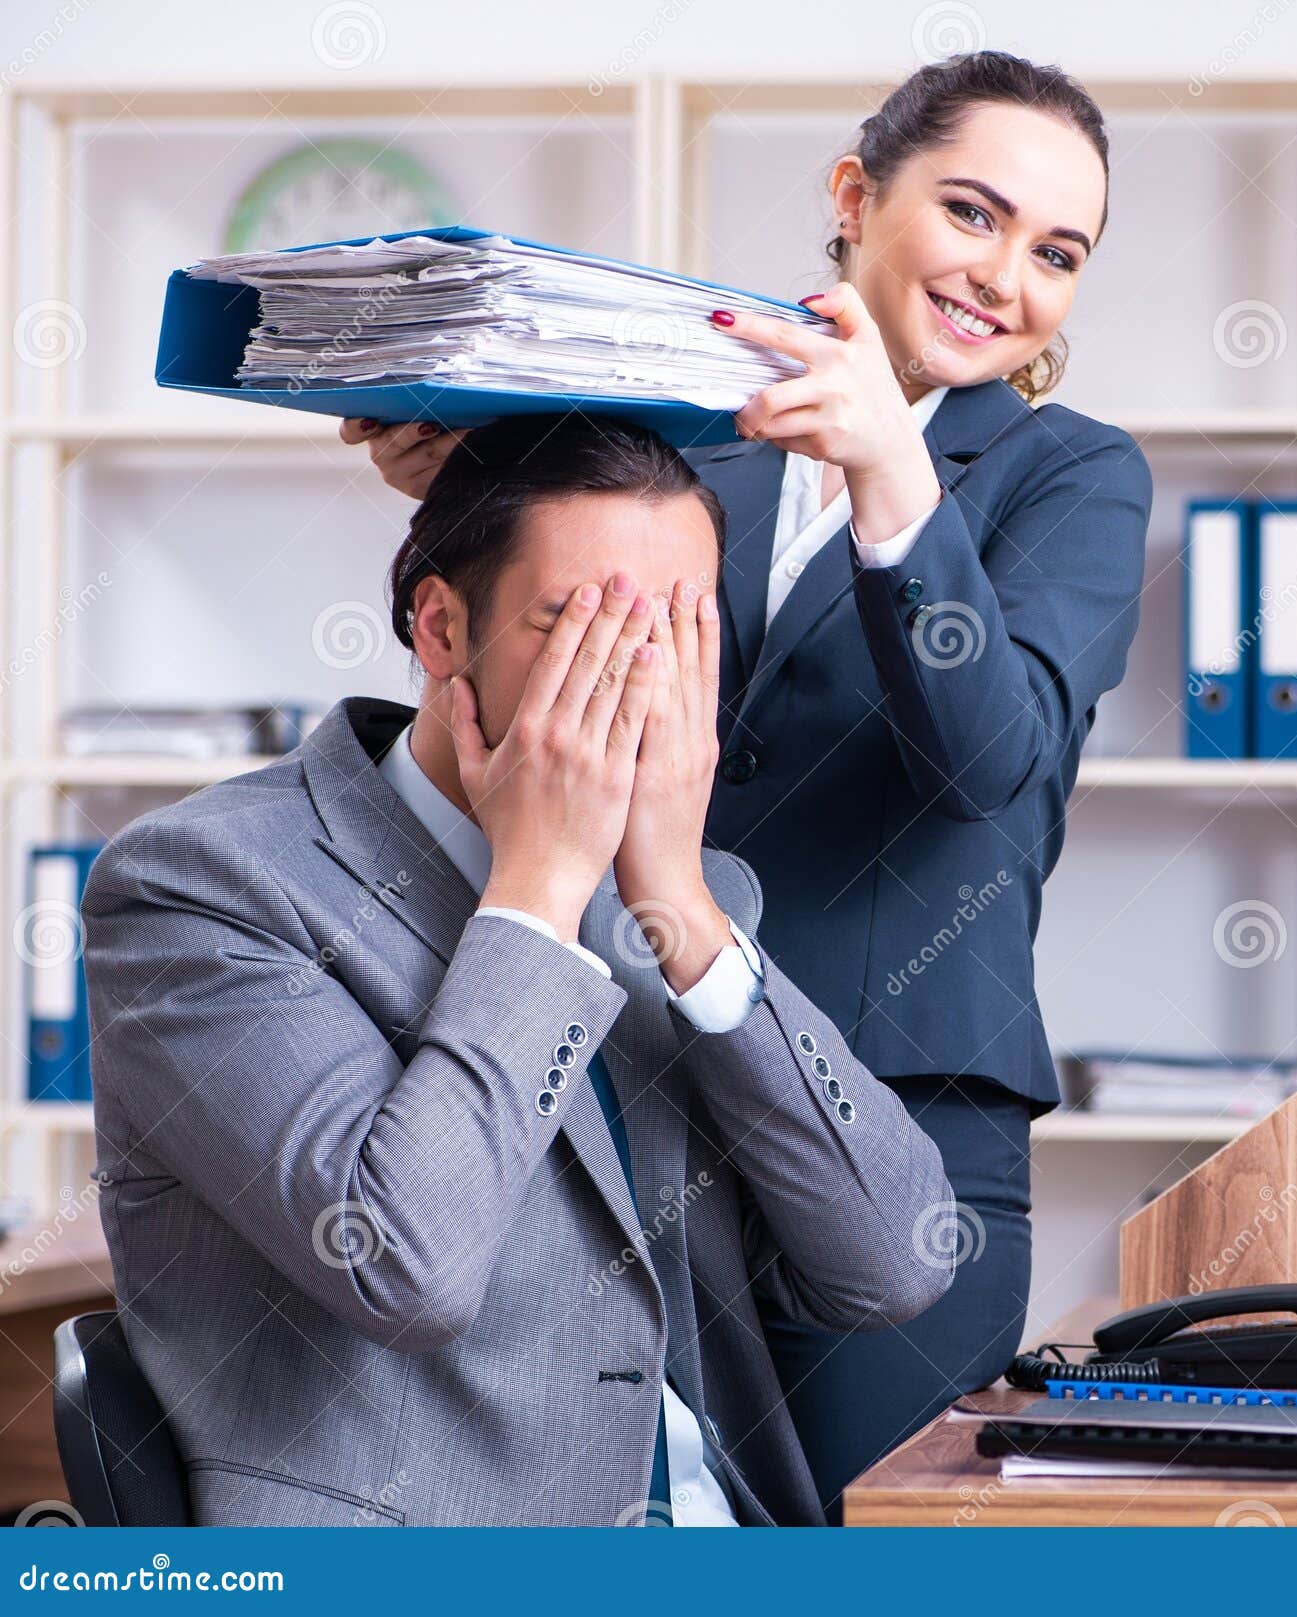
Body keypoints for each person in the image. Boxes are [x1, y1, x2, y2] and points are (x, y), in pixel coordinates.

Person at [341, 50, 1152, 1519]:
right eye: (972, 214)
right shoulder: (685, 437)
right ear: (857, 197)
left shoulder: (1070, 477)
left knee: (843, 1541)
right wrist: (460, 492)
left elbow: (985, 759)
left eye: (1057, 253)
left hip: (901, 1136)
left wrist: (892, 470)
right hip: (633, 1097)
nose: (1004, 276)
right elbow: (495, 660)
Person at [80, 415, 954, 1528]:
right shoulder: (201, 887)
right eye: (579, 627)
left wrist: (680, 907)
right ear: (441, 628)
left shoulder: (682, 896)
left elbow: (895, 1266)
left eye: (679, 631)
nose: (636, 683)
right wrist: (536, 892)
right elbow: (405, 1268)